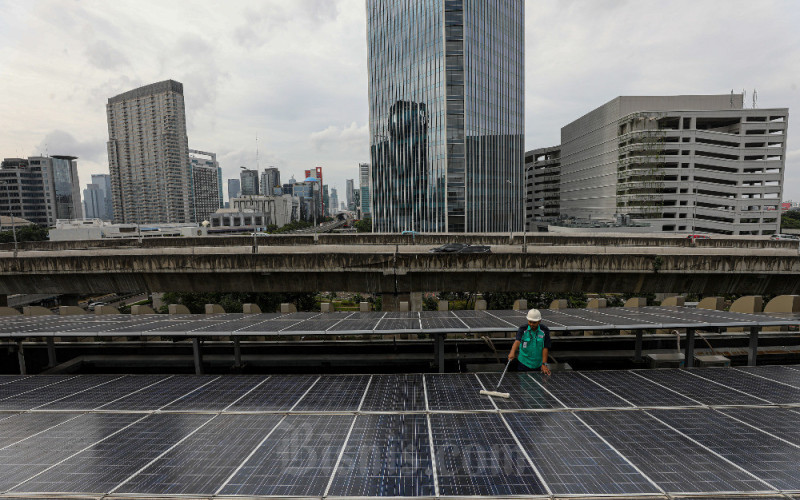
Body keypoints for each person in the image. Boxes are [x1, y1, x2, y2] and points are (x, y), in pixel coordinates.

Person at [508, 308, 551, 374]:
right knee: (523, 382)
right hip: (523, 363)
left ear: (539, 321)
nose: (531, 324)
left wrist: (544, 364)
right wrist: (512, 352)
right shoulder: (523, 329)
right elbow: (517, 341)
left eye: (534, 322)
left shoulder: (544, 330)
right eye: (530, 322)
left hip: (538, 364)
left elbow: (545, 347)